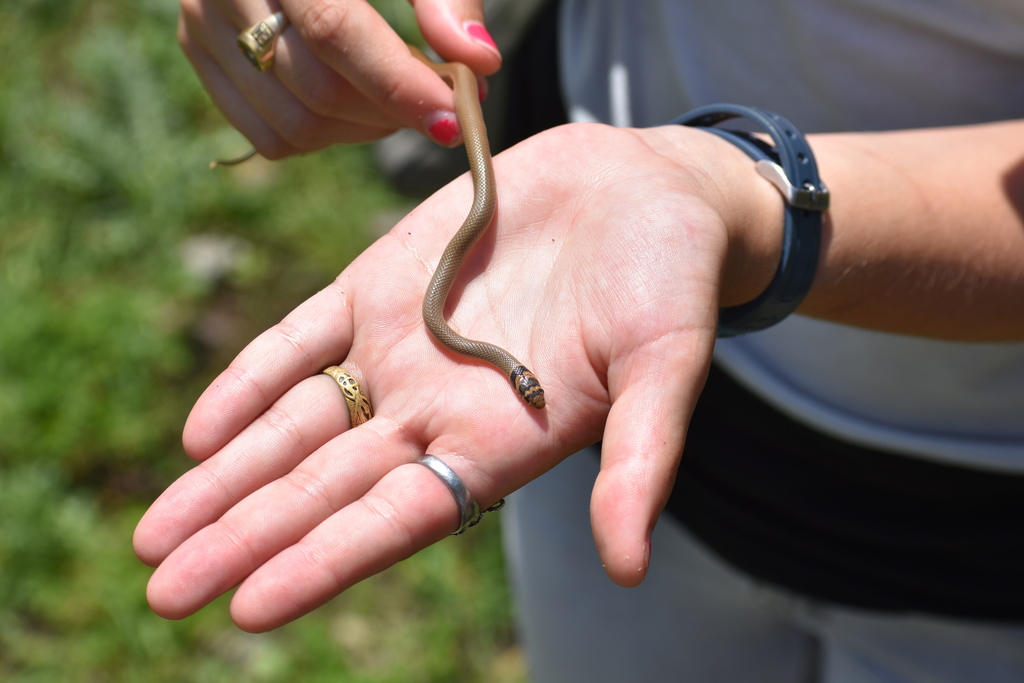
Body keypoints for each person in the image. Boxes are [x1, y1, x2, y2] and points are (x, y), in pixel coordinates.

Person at [134, 0, 1024, 680]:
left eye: (515, 381)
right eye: (516, 381)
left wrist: (745, 206)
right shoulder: (539, 382)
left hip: (974, 544)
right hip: (588, 390)